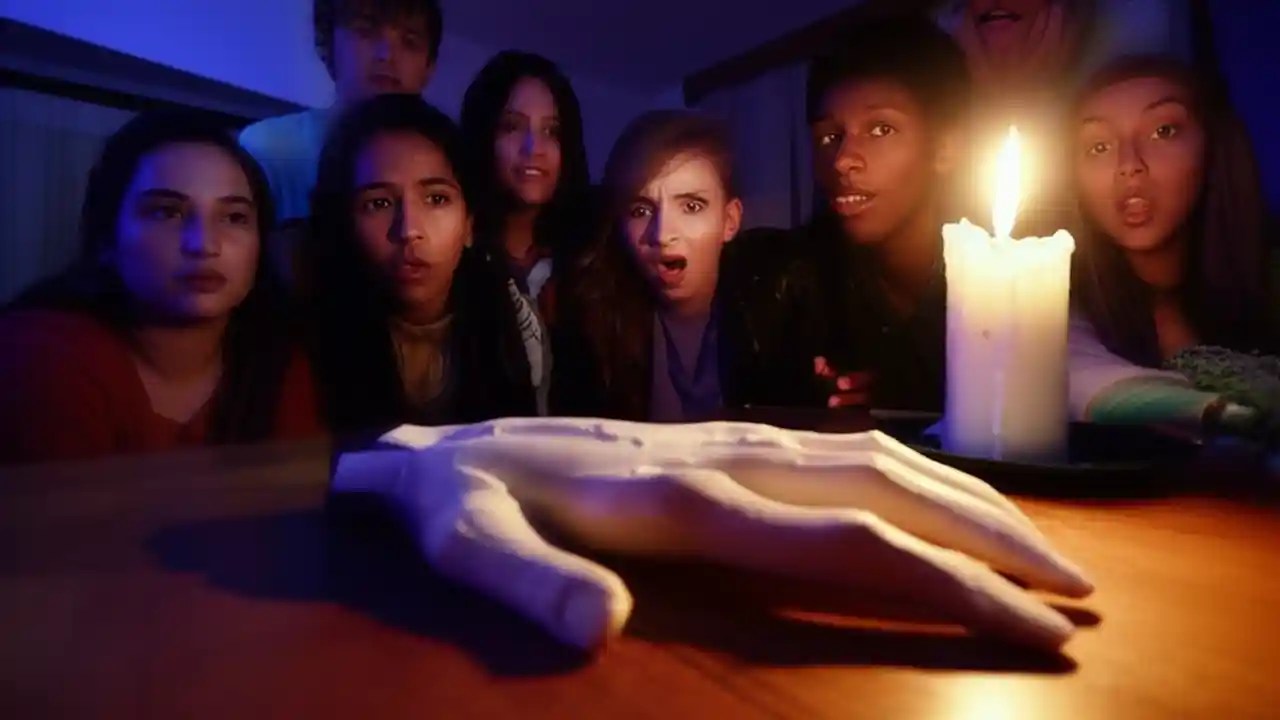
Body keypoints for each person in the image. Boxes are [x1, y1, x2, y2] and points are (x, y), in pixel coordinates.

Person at [0, 111, 319, 464]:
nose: (203, 245)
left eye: (234, 217)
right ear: (107, 237)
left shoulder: (278, 362)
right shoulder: (44, 356)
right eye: (167, 212)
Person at [740, 16, 972, 413]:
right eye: (829, 137)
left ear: (945, 149)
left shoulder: (1005, 274)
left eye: (881, 129)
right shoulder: (791, 276)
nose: (843, 160)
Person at [552, 110, 813, 421]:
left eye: (691, 206)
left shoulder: (779, 309)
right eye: (641, 210)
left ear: (729, 221)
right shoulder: (594, 325)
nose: (662, 235)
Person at [1067, 55, 1279, 433]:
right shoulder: (1054, 293)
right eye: (1099, 146)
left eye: (1163, 131)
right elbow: (1078, 376)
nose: (1128, 164)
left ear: (1213, 145)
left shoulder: (1268, 275)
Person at [304, 94, 536, 435]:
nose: (409, 229)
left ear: (469, 223)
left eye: (437, 199)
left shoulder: (512, 317)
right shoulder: (308, 335)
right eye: (378, 203)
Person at [239, 0, 443, 284]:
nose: (387, 55)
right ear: (327, 44)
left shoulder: (443, 161)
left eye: (409, 42)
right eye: (365, 31)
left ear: (429, 67)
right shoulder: (268, 148)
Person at [459, 51, 593, 412]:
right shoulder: (455, 261)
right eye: (512, 127)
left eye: (552, 131)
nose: (534, 149)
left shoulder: (591, 261)